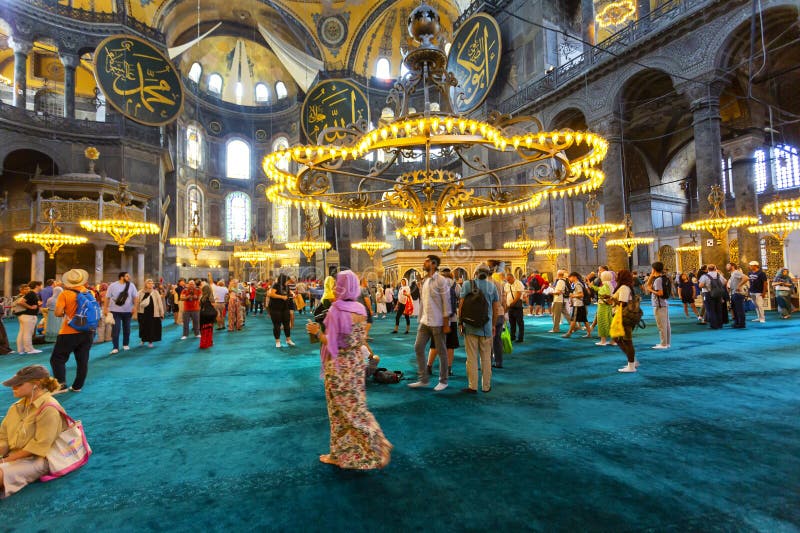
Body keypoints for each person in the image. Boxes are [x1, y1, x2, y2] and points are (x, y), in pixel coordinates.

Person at [305, 270, 392, 470]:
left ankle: (370, 446)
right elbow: (359, 339)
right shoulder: (360, 309)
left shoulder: (337, 310)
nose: (336, 287)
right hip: (355, 364)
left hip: (338, 367)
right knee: (356, 409)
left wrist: (317, 332)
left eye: (338, 284)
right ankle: (354, 451)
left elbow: (333, 343)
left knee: (339, 413)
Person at [0, 365, 69, 498]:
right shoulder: (15, 407)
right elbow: (3, 438)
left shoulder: (49, 409)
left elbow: (38, 447)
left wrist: (4, 461)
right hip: (14, 455)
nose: (13, 387)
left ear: (36, 384)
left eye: (18, 384)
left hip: (39, 459)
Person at [408, 255, 452, 391]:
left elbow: (446, 302)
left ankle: (443, 380)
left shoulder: (441, 280)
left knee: (442, 351)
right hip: (425, 321)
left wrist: (446, 323)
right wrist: (420, 318)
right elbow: (423, 302)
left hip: (438, 322)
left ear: (434, 264)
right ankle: (423, 379)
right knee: (418, 347)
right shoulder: (426, 281)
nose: (424, 263)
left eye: (427, 261)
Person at [50, 269, 95, 393]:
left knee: (57, 358)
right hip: (87, 330)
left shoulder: (65, 294)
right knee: (82, 360)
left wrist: (67, 313)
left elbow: (58, 313)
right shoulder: (90, 292)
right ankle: (77, 386)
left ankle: (61, 385)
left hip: (69, 331)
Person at [459, 265, 499, 393]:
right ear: (487, 274)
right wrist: (493, 325)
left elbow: (461, 305)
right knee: (486, 358)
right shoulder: (492, 286)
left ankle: (473, 386)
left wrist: (460, 322)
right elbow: (495, 308)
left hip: (470, 326)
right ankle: (486, 386)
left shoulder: (467, 284)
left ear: (475, 273)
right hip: (486, 327)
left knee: (471, 357)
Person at [610, 270, 639, 373]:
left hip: (623, 317)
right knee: (618, 338)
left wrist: (612, 299)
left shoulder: (624, 288)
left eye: (618, 275)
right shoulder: (625, 287)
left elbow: (623, 303)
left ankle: (631, 366)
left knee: (627, 340)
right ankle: (632, 361)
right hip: (622, 316)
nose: (616, 277)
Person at [104, 272, 138, 354]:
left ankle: (125, 344)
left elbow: (135, 297)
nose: (129, 277)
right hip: (115, 311)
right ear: (121, 277)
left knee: (127, 328)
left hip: (128, 311)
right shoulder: (112, 285)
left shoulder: (131, 285)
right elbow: (107, 297)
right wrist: (105, 308)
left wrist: (135, 308)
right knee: (116, 329)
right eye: (127, 276)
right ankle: (115, 347)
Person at [645, 261, 671, 349]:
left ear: (654, 269)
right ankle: (667, 343)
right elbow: (648, 284)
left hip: (659, 305)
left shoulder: (658, 280)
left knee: (661, 325)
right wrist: (651, 276)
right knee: (666, 325)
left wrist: (651, 290)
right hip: (663, 304)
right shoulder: (661, 278)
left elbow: (660, 293)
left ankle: (663, 344)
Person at [15, 282, 42, 355]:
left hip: (24, 315)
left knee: (22, 333)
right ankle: (29, 349)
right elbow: (21, 302)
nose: (41, 287)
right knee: (28, 333)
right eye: (40, 285)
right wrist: (30, 307)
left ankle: (21, 350)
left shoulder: (30, 293)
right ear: (37, 286)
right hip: (29, 316)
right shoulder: (32, 293)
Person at [268, 274, 295, 347]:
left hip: (285, 308)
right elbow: (271, 294)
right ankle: (277, 341)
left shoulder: (286, 286)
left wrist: (292, 294)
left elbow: (289, 293)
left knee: (287, 324)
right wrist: (281, 297)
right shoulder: (275, 285)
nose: (288, 282)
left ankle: (288, 340)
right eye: (287, 281)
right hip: (275, 308)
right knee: (277, 325)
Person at [562, 272, 591, 338]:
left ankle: (569, 333)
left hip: (578, 305)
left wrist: (573, 296)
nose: (569, 279)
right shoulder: (578, 283)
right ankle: (589, 334)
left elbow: (581, 294)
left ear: (574, 277)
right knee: (584, 320)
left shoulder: (577, 284)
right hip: (580, 304)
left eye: (570, 277)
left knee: (573, 319)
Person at [137, 279, 164, 348]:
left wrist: (161, 313)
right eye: (149, 283)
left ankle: (150, 341)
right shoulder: (140, 292)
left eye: (152, 283)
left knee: (151, 327)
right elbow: (137, 302)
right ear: (145, 284)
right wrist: (135, 312)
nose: (151, 284)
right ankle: (143, 340)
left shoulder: (155, 292)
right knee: (143, 327)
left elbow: (160, 303)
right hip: (142, 313)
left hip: (153, 313)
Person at [699, 264, 726, 329]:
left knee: (710, 310)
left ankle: (714, 325)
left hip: (708, 294)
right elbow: (725, 281)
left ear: (707, 269)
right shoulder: (719, 275)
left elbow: (701, 285)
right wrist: (718, 287)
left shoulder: (705, 276)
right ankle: (720, 325)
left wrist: (707, 286)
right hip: (718, 294)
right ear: (714, 268)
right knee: (718, 309)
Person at [504, 272, 525, 343]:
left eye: (509, 279)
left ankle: (520, 338)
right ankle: (512, 336)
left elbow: (519, 294)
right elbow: (506, 294)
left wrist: (513, 303)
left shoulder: (518, 283)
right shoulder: (507, 285)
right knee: (511, 322)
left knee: (520, 322)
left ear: (513, 278)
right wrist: (506, 305)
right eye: (507, 280)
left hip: (517, 306)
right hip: (510, 306)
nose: (508, 281)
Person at [726, 263, 748, 329]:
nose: (726, 267)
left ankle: (741, 324)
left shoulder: (736, 272)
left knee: (739, 310)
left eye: (728, 265)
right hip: (734, 293)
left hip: (738, 293)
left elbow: (746, 278)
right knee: (735, 309)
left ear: (732, 266)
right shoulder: (732, 274)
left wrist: (739, 285)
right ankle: (737, 323)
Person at [595, 271, 614, 346]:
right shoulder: (611, 284)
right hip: (609, 306)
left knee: (602, 322)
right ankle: (613, 341)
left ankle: (603, 341)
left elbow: (604, 295)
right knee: (610, 322)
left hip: (603, 306)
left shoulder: (605, 285)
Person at [199, 284, 216, 349]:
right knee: (209, 329)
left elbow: (200, 306)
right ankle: (208, 342)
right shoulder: (210, 297)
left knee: (203, 329)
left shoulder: (201, 297)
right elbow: (214, 305)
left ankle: (203, 343)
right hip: (210, 315)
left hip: (202, 314)